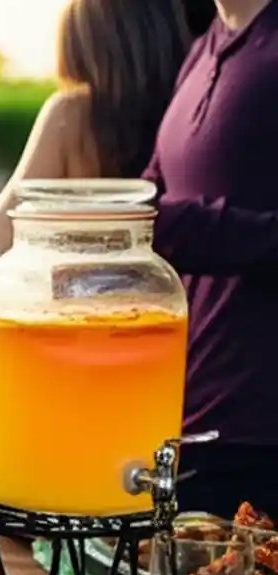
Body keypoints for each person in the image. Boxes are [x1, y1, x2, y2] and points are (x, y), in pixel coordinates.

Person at [0, 0, 194, 386]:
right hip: (189, 376)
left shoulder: (75, 118)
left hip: (79, 382)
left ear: (83, 47)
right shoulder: (201, 110)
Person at [141, 0, 278, 517]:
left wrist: (194, 228)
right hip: (185, 425)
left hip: (263, 436)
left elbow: (172, 220)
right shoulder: (204, 45)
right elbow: (150, 195)